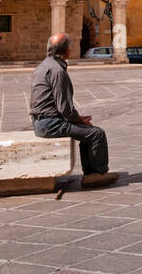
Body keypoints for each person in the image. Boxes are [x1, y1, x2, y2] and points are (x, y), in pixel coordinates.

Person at [30, 33, 118, 188]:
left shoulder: (43, 66)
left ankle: (90, 174)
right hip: (50, 124)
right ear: (67, 51)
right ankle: (97, 174)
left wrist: (78, 120)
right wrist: (79, 119)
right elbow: (64, 108)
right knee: (97, 134)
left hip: (40, 122)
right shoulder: (58, 71)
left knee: (87, 132)